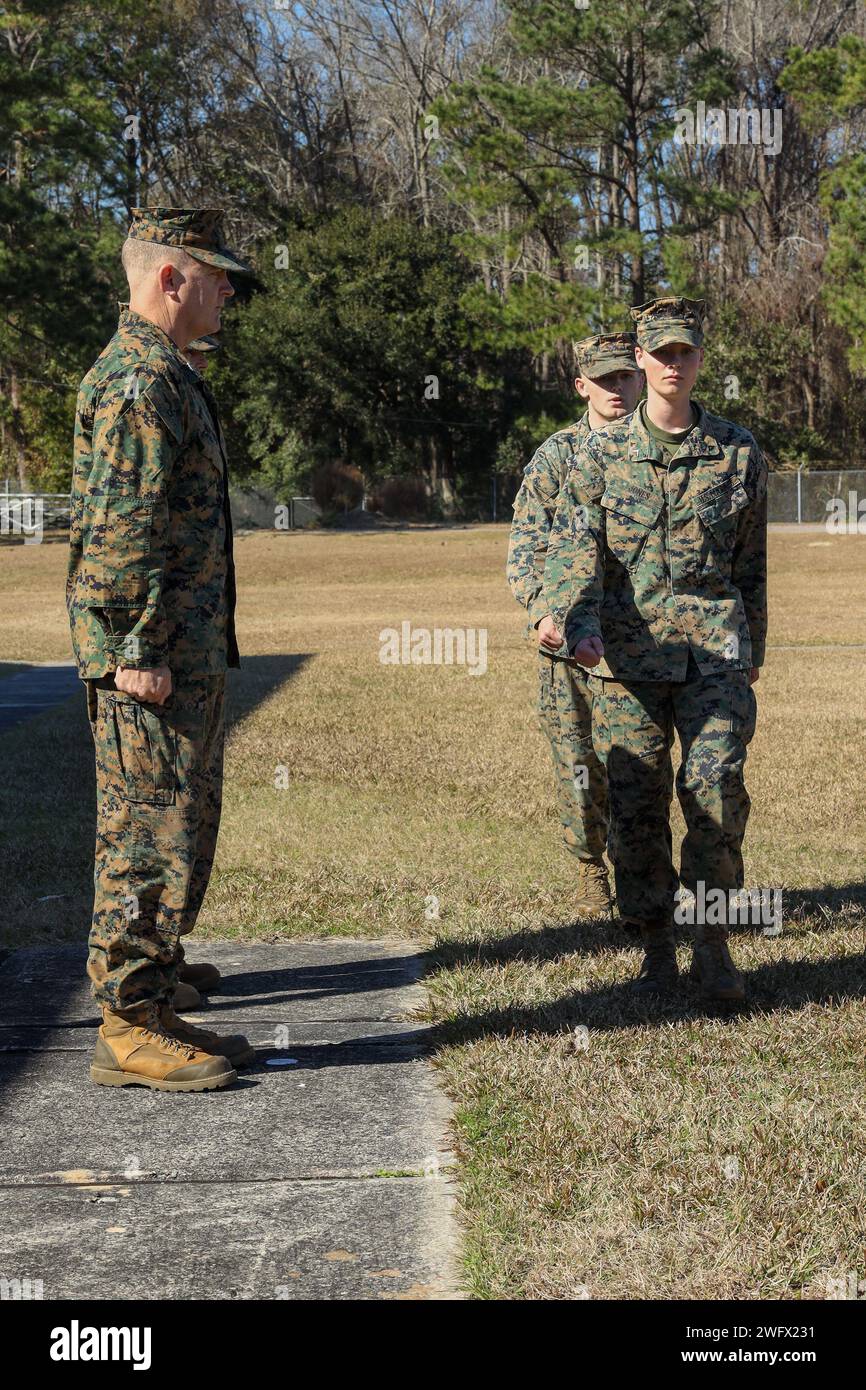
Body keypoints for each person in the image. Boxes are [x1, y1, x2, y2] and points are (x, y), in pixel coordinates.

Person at [67, 207, 254, 1089]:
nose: (227, 290)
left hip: (186, 652)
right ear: (169, 278)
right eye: (214, 275)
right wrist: (136, 647)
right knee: (145, 834)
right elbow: (117, 535)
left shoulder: (169, 374)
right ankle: (126, 1028)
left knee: (179, 826)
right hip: (153, 658)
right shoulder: (140, 383)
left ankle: (151, 995)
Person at [544, 298, 768, 1000]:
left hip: (714, 659)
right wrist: (567, 621)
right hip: (627, 665)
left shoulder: (736, 451)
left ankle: (713, 944)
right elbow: (576, 554)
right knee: (636, 813)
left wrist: (753, 641)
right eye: (661, 353)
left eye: (685, 353)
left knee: (715, 793)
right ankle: (654, 946)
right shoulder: (597, 456)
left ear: (700, 360)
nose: (674, 365)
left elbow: (751, 563)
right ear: (639, 359)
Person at [507, 334, 644, 918]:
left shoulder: (656, 449)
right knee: (578, 763)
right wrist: (541, 611)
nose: (616, 389)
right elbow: (525, 545)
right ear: (581, 385)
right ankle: (590, 871)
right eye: (604, 379)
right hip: (567, 644)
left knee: (641, 765)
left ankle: (644, 880)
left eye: (625, 378)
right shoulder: (556, 456)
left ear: (640, 379)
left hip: (638, 640)